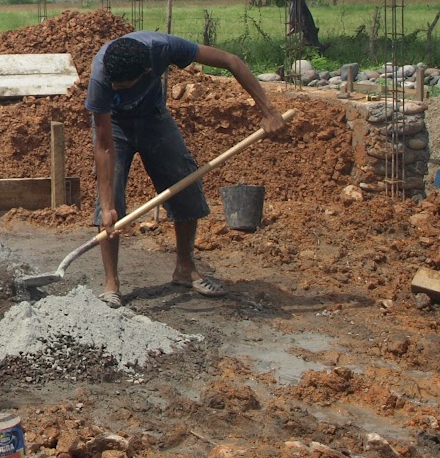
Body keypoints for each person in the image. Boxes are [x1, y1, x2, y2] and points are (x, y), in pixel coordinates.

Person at [85, 32, 288, 307]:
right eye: (114, 84)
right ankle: (111, 284)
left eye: (122, 87)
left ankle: (184, 268)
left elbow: (231, 61)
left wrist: (268, 111)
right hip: (116, 128)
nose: (115, 89)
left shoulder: (164, 48)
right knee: (109, 205)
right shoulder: (101, 77)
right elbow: (105, 145)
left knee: (186, 186)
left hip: (154, 118)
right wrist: (108, 203)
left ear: (147, 71)